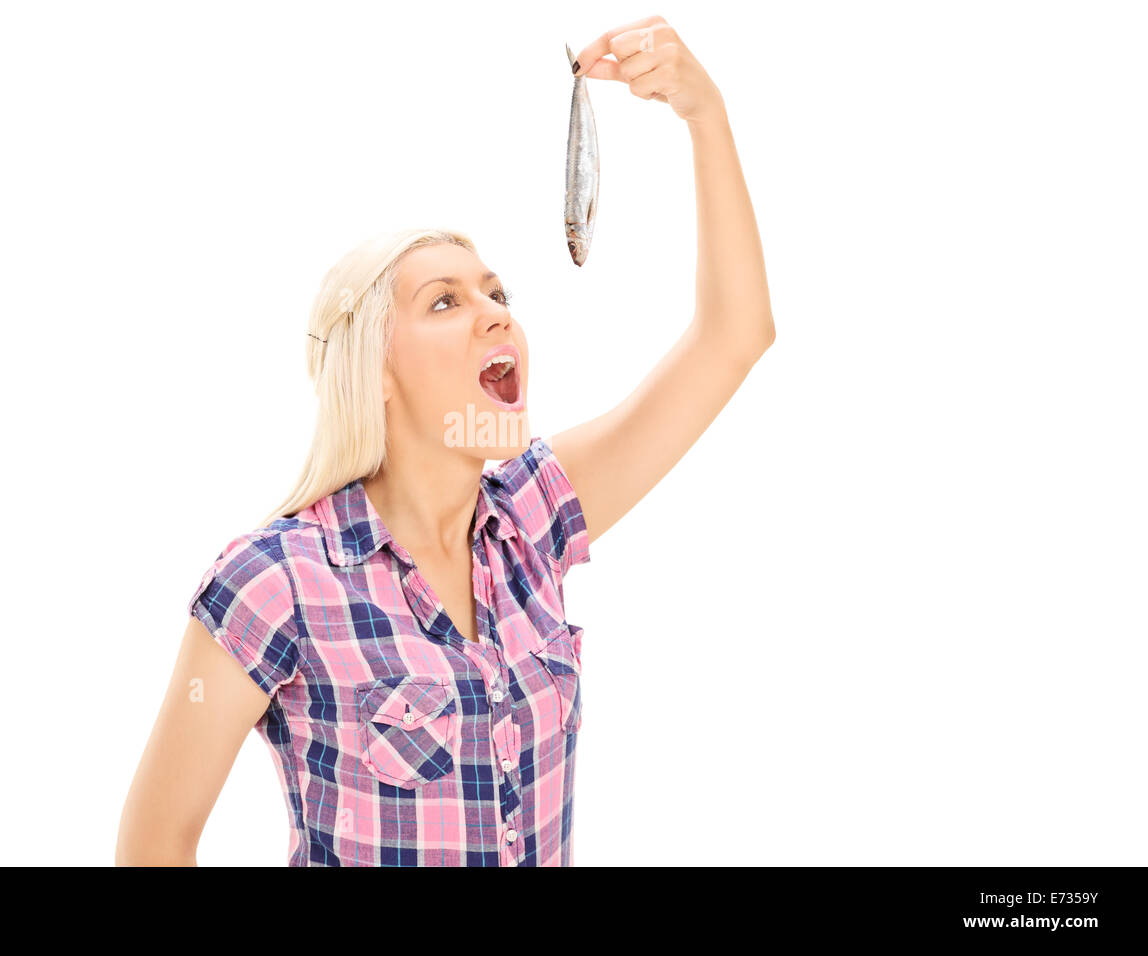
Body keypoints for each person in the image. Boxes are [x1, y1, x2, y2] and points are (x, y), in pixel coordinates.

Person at [116, 15, 775, 866]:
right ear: (374, 370)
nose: (496, 312)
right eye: (444, 302)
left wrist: (705, 114)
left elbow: (736, 334)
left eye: (497, 292)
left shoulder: (533, 525)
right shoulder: (275, 582)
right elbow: (154, 843)